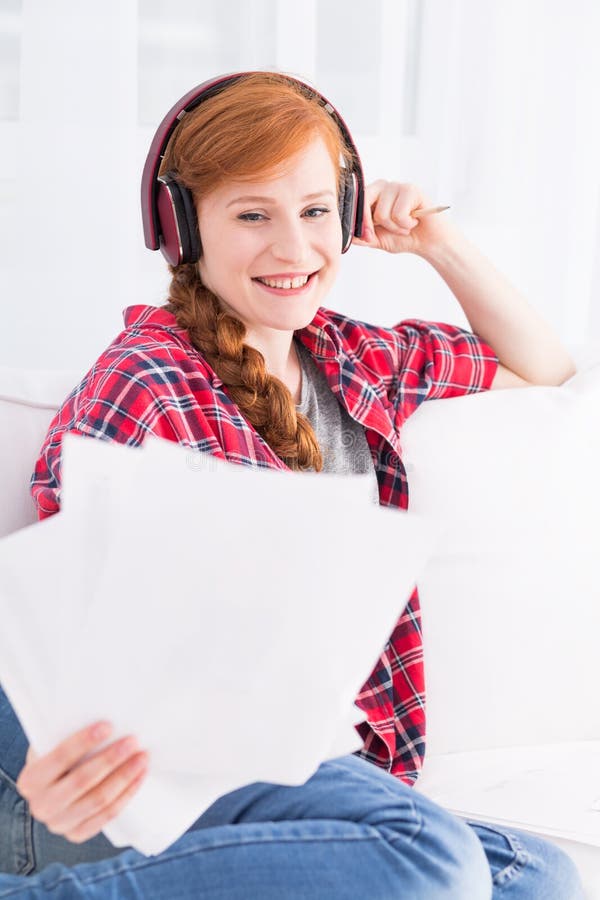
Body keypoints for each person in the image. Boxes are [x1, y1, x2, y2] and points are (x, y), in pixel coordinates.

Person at [0, 71, 582, 898]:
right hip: (146, 769)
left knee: (540, 878)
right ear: (182, 229)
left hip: (294, 764)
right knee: (435, 866)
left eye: (315, 211)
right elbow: (78, 640)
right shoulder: (144, 381)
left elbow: (544, 369)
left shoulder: (354, 358)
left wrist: (437, 242)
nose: (294, 250)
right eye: (251, 215)